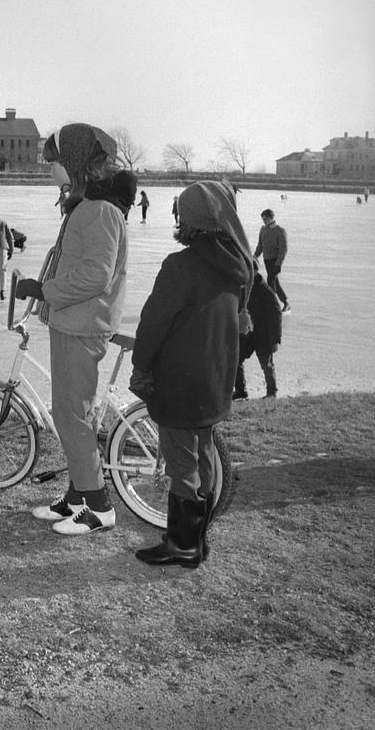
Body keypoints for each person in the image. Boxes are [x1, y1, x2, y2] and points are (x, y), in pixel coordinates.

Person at [15, 123, 134, 536]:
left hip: (84, 324)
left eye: (55, 160)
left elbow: (95, 276)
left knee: (74, 416)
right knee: (67, 414)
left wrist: (44, 289)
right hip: (72, 320)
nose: (49, 167)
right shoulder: (86, 205)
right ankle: (77, 496)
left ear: (77, 163)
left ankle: (99, 506)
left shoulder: (99, 210)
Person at [130, 180, 254, 568]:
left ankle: (183, 546)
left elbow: (153, 324)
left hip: (180, 381)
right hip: (214, 379)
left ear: (189, 220)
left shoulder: (180, 266)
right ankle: (194, 541)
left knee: (181, 462)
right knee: (200, 455)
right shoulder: (238, 267)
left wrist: (141, 367)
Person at [234, 262, 282, 400]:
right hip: (248, 334)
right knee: (236, 360)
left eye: (248, 269)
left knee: (266, 365)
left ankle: (272, 393)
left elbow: (276, 314)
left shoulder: (265, 290)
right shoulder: (243, 287)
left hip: (263, 335)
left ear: (254, 271)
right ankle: (241, 391)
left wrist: (275, 339)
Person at [253, 208, 289, 313]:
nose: (264, 221)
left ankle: (273, 305)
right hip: (266, 259)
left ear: (271, 218)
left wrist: (278, 264)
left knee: (271, 281)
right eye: (262, 219)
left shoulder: (280, 231)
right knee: (275, 282)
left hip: (275, 260)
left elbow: (283, 249)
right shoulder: (263, 229)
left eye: (266, 219)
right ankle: (285, 303)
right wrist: (254, 257)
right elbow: (260, 245)